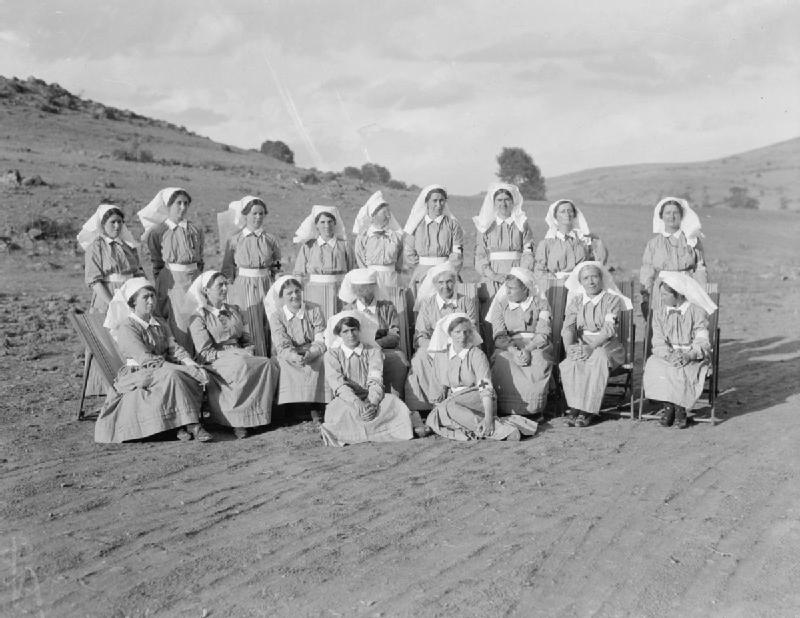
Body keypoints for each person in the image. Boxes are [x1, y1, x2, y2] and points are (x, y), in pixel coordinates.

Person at [95, 278, 211, 443]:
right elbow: (147, 360)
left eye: (153, 296)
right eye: (146, 297)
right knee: (173, 376)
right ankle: (193, 425)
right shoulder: (127, 327)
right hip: (139, 371)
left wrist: (191, 364)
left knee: (191, 373)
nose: (151, 301)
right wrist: (184, 369)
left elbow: (174, 348)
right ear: (133, 302)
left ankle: (177, 424)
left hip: (162, 367)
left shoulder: (160, 322)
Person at [187, 270, 279, 439]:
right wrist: (235, 353)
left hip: (241, 355)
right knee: (241, 365)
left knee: (267, 363)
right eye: (219, 285)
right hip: (216, 360)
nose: (224, 288)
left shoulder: (234, 310)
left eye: (225, 284)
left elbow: (246, 338)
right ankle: (237, 421)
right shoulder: (199, 317)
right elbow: (205, 352)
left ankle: (256, 416)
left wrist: (249, 347)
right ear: (206, 290)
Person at [424, 313, 539, 441]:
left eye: (467, 332)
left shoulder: (477, 355)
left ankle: (495, 428)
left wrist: (489, 418)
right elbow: (437, 387)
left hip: (479, 399)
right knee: (442, 410)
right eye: (457, 332)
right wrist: (437, 409)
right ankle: (497, 428)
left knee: (446, 409)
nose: (463, 336)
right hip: (454, 401)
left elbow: (485, 388)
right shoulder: (441, 357)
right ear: (449, 333)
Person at [320, 311, 429, 446]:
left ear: (359, 330)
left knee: (394, 403)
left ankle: (357, 432)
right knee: (337, 412)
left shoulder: (373, 351)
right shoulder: (331, 355)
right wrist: (357, 403)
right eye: (345, 331)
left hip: (372, 396)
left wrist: (372, 403)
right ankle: (387, 430)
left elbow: (376, 379)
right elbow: (338, 384)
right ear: (339, 334)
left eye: (353, 330)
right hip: (347, 400)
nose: (351, 335)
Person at [78, 203, 145, 396]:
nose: (117, 226)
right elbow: (94, 280)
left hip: (130, 295)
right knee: (107, 341)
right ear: (102, 224)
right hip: (108, 296)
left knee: (130, 338)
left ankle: (131, 384)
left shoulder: (128, 245)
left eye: (120, 222)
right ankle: (108, 388)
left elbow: (138, 271)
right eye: (112, 222)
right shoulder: (96, 247)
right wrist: (113, 303)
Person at [559, 262, 632, 428]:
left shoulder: (611, 300)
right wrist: (569, 348)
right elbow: (568, 328)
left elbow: (609, 329)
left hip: (607, 346)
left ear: (601, 278)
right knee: (570, 362)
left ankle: (588, 410)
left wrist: (591, 347)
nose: (591, 282)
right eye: (586, 278)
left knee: (598, 357)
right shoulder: (577, 301)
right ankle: (575, 406)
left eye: (594, 277)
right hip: (583, 344)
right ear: (580, 282)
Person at [642, 271, 717, 429]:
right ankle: (668, 406)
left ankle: (680, 408)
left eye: (665, 295)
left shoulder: (697, 312)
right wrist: (669, 355)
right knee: (655, 365)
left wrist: (689, 355)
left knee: (683, 369)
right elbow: (658, 341)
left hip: (693, 355)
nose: (662, 298)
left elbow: (702, 339)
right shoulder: (660, 313)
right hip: (668, 355)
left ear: (678, 294)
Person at [137, 187, 204, 352]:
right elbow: (157, 262)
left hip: (194, 279)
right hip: (173, 282)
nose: (183, 207)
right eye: (178, 203)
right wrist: (163, 285)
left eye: (186, 203)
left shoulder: (195, 230)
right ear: (168, 206)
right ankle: (184, 358)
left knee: (198, 318)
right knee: (179, 322)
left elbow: (200, 258)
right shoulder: (158, 232)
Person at [404, 263, 479, 411]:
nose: (445, 286)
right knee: (420, 357)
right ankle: (433, 403)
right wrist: (437, 348)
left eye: (449, 281)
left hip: (462, 343)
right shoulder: (428, 304)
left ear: (455, 282)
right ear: (435, 284)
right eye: (441, 282)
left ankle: (458, 401)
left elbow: (472, 330)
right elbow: (421, 334)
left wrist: (455, 346)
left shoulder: (465, 302)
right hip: (434, 347)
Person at [487, 267, 553, 417]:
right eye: (507, 288)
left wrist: (528, 349)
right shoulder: (500, 305)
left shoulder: (541, 304)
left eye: (512, 288)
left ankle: (534, 409)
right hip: (508, 345)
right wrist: (514, 351)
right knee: (502, 360)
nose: (507, 292)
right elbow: (499, 334)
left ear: (525, 289)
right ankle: (506, 408)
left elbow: (543, 332)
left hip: (536, 344)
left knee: (539, 359)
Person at [220, 195, 281, 356]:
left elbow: (276, 265)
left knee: (268, 321)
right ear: (245, 215)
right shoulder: (235, 240)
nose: (258, 217)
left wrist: (276, 280)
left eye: (261, 213)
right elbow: (228, 268)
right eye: (254, 213)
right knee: (250, 323)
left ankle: (271, 361)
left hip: (266, 284)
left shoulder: (270, 239)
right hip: (243, 286)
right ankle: (255, 360)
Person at [264, 275, 326, 420]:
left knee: (321, 360)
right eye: (289, 293)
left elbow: (320, 337)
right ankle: (290, 406)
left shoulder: (314, 309)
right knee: (285, 363)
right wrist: (293, 356)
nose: (295, 296)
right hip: (288, 352)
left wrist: (312, 353)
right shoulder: (277, 316)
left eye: (297, 291)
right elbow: (281, 344)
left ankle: (315, 404)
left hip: (312, 349)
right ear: (281, 297)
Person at [339, 268, 408, 396]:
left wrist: (376, 344)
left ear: (374, 289)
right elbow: (343, 335)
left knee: (399, 360)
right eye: (359, 293)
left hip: (384, 348)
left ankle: (394, 399)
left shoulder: (387, 307)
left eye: (367, 292)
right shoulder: (348, 309)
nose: (363, 298)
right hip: (357, 349)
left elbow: (394, 335)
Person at [640, 197, 707, 317]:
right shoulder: (653, 244)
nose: (671, 216)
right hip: (662, 292)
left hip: (687, 290)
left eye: (675, 212)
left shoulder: (692, 241)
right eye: (668, 213)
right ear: (661, 216)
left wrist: (701, 292)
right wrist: (647, 290)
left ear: (681, 216)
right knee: (661, 321)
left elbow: (700, 268)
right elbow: (647, 269)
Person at [473, 182, 535, 301]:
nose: (503, 204)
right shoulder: (485, 226)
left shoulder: (522, 224)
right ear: (494, 202)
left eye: (507, 199)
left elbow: (528, 252)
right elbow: (480, 255)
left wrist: (518, 275)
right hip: (492, 276)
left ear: (513, 201)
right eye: (499, 200)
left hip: (517, 273)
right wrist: (493, 275)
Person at [293, 204, 354, 321]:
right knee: (318, 321)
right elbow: (298, 273)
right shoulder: (308, 246)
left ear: (335, 223)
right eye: (322, 222)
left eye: (330, 221)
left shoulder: (344, 245)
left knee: (339, 322)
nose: (327, 226)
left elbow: (352, 271)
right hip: (314, 293)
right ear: (316, 224)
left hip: (340, 291)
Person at [533, 199, 608, 290]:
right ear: (555, 216)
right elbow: (539, 271)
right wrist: (557, 282)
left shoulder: (583, 240)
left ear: (574, 214)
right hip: (557, 287)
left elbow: (597, 263)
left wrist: (598, 241)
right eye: (562, 212)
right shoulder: (546, 244)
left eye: (570, 211)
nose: (567, 214)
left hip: (582, 287)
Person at [402, 184, 464, 290]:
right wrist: (421, 268)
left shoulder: (453, 225)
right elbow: (409, 253)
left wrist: (445, 271)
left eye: (442, 200)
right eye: (434, 201)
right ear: (427, 202)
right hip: (421, 275)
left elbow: (457, 254)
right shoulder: (416, 226)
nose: (438, 205)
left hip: (446, 275)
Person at [353, 190, 404, 290]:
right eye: (384, 212)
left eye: (389, 212)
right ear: (373, 215)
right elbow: (360, 260)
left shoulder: (395, 237)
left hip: (392, 281)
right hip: (372, 281)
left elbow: (399, 262)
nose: (388, 216)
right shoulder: (364, 237)